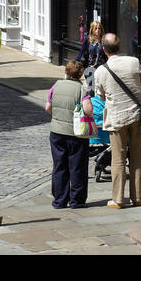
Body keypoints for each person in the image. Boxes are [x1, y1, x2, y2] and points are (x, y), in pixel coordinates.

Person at [94, 33, 141, 209]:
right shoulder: (134, 62)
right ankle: (137, 197)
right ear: (119, 46)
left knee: (118, 158)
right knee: (138, 157)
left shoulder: (101, 71)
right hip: (137, 115)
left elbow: (100, 95)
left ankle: (118, 199)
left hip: (116, 117)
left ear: (103, 49)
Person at [46, 60, 93, 209]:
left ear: (66, 72)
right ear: (80, 74)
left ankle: (59, 200)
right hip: (75, 134)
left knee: (59, 166)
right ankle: (76, 201)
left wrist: (59, 117)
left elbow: (48, 107)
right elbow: (88, 110)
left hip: (56, 132)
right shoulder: (82, 89)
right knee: (77, 167)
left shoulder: (56, 85)